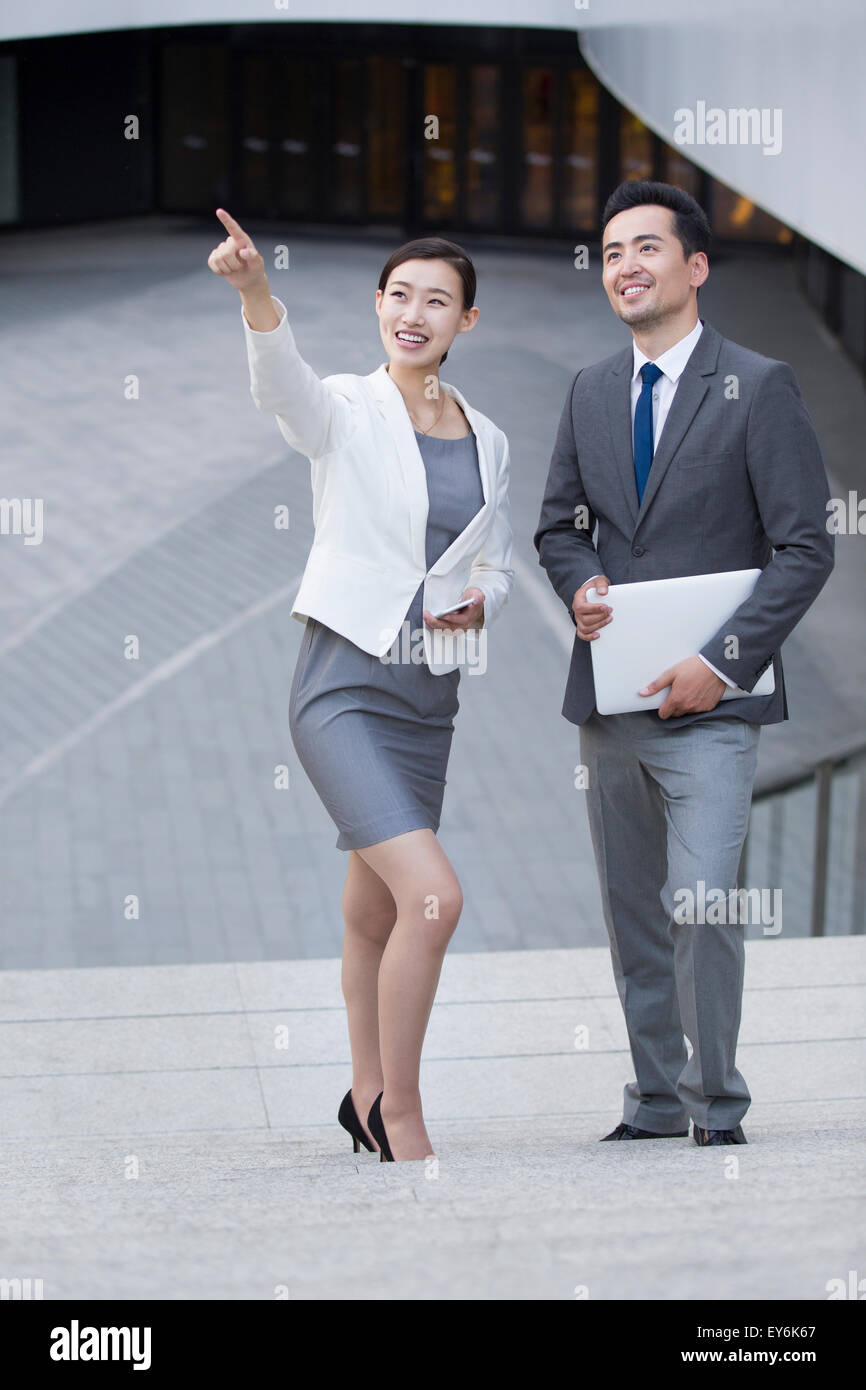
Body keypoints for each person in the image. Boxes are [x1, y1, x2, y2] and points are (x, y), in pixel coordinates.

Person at [207, 208, 513, 1161]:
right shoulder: (344, 405)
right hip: (343, 687)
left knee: (374, 909)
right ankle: (404, 1117)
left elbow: (492, 563)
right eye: (399, 296)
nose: (413, 313)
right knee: (434, 898)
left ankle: (363, 1095)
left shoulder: (490, 438)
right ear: (378, 306)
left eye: (437, 301)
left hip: (431, 702)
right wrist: (257, 291)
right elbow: (281, 389)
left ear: (468, 321)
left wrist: (481, 604)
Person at [534, 180, 834, 1146]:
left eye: (646, 248)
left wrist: (726, 663)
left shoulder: (761, 384)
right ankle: (655, 1101)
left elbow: (805, 549)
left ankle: (718, 1104)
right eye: (613, 250)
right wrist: (578, 586)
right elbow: (558, 526)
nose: (625, 265)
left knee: (701, 902)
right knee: (635, 918)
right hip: (612, 707)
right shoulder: (588, 390)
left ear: (695, 267)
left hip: (713, 711)